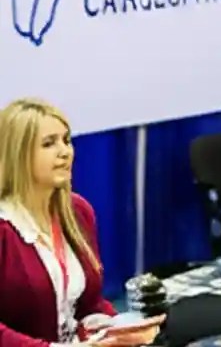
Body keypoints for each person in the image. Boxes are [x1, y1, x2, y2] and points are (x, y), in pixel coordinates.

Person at [0, 99, 154, 347]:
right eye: (49, 144)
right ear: (17, 154)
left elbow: (89, 305)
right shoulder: (4, 229)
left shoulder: (77, 211)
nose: (65, 152)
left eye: (66, 140)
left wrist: (115, 328)